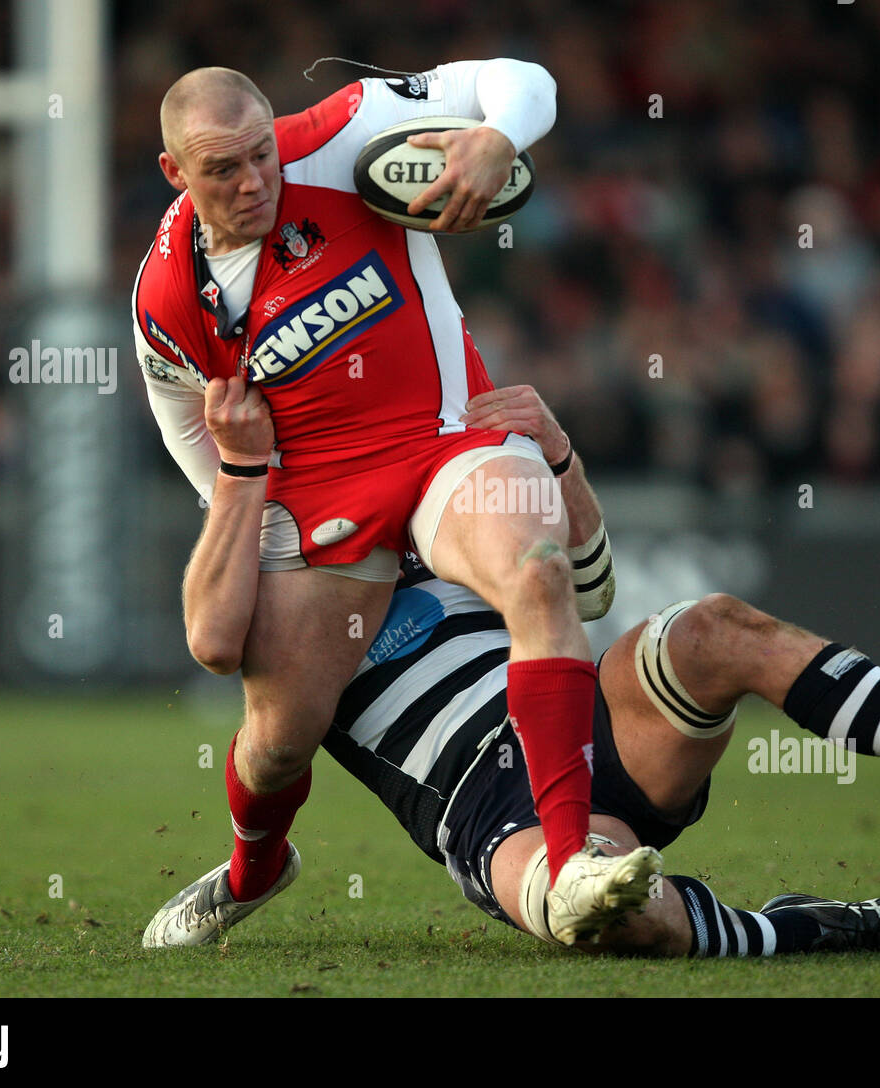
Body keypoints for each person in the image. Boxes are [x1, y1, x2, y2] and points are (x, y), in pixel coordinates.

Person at [143, 385, 880, 956]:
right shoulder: (275, 567)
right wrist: (237, 471)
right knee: (602, 923)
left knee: (714, 628)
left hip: (589, 722)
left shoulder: (441, 483)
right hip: (484, 808)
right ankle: (807, 927)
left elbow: (589, 591)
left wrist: (558, 452)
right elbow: (216, 640)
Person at [131, 61, 623, 942]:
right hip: (316, 493)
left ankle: (573, 857)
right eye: (222, 171)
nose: (253, 182)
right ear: (175, 174)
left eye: (260, 154)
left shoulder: (342, 135)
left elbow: (526, 77)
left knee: (540, 574)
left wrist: (497, 137)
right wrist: (248, 511)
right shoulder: (168, 292)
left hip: (448, 435)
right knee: (279, 741)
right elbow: (182, 420)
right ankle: (254, 870)